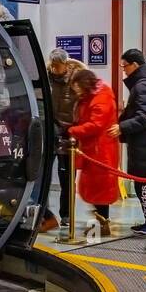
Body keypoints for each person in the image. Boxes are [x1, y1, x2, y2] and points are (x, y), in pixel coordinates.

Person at [108, 49, 146, 235]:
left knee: (142, 183)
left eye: (125, 66)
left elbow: (145, 116)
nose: (123, 71)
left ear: (135, 65)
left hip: (143, 143)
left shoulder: (142, 86)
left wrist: (122, 126)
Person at [66, 68, 119, 237]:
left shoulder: (101, 98)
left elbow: (96, 125)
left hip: (100, 150)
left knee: (100, 188)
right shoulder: (92, 96)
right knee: (94, 187)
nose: (78, 93)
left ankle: (103, 223)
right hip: (93, 149)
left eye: (78, 89)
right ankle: (100, 221)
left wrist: (73, 130)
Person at [47, 47, 87, 228]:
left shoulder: (76, 79)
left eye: (58, 65)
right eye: (53, 65)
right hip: (50, 130)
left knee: (67, 178)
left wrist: (74, 128)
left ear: (65, 64)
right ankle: (44, 213)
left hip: (69, 133)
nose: (55, 69)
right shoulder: (46, 77)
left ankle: (66, 214)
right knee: (44, 175)